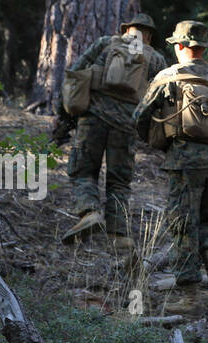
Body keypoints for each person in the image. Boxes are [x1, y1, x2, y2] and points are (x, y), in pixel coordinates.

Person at [133, 20, 208, 294]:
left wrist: (161, 143)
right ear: (201, 48)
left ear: (182, 46)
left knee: (182, 224)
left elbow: (139, 117)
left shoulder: (167, 77)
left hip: (184, 162)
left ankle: (189, 296)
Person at [59, 13, 168, 253]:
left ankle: (89, 212)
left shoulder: (105, 44)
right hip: (127, 126)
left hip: (93, 120)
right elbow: (166, 96)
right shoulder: (156, 59)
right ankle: (119, 236)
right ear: (148, 35)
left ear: (126, 29)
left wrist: (65, 114)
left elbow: (74, 72)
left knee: (83, 171)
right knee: (119, 182)